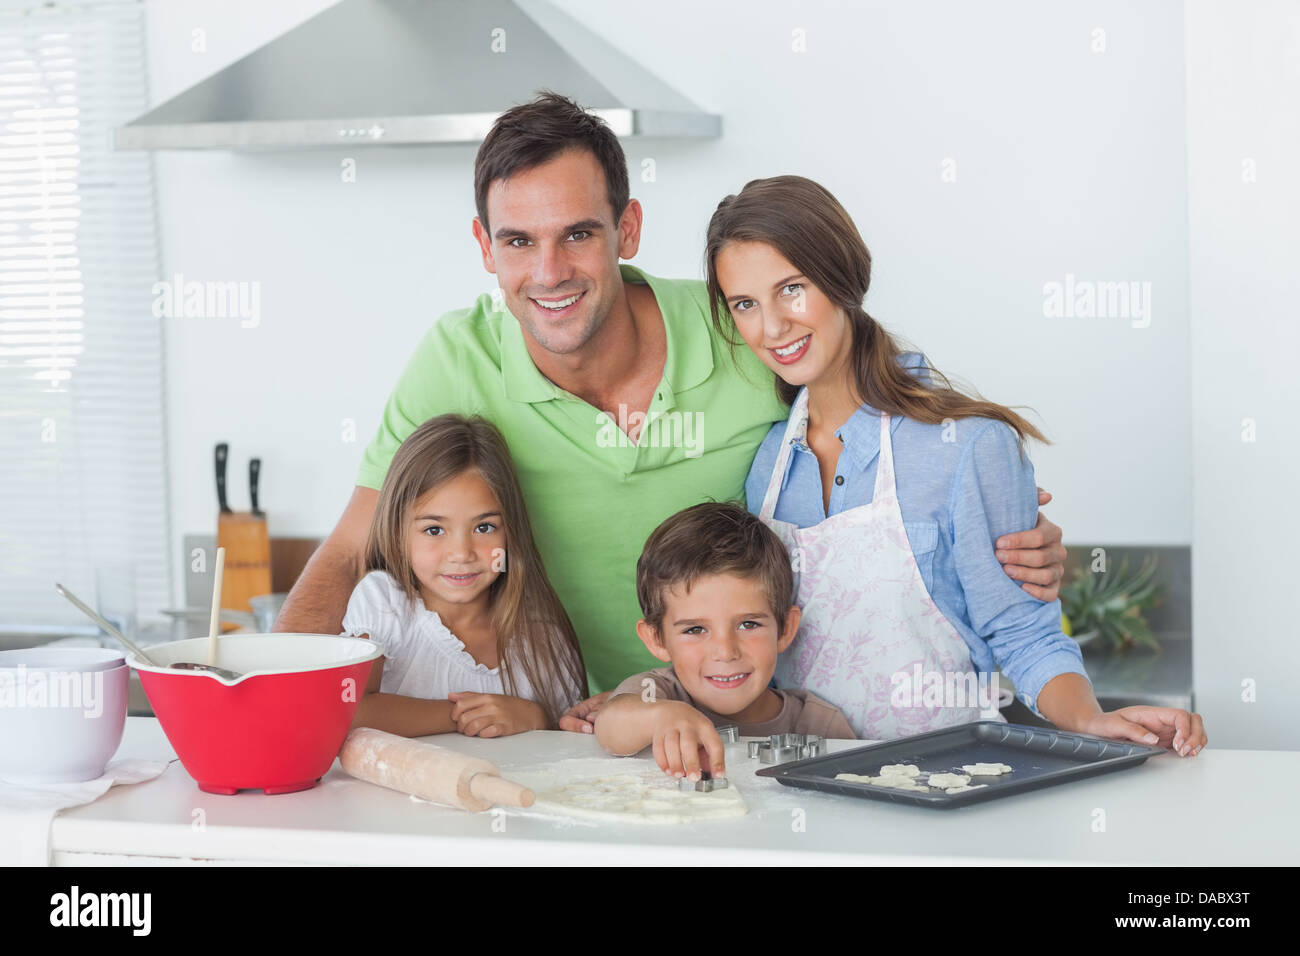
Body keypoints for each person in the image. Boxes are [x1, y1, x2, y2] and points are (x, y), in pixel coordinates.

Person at [274, 91, 1069, 732]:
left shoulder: (732, 329)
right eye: (518, 242)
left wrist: (979, 489)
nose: (548, 272)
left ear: (628, 228)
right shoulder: (454, 360)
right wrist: (276, 696)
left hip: (748, 727)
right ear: (485, 248)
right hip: (567, 732)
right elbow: (353, 549)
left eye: (578, 234)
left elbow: (854, 370)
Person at [706, 175, 1206, 755]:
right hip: (797, 783)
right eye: (746, 304)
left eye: (791, 288)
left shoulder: (968, 445)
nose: (771, 326)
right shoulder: (767, 460)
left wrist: (1090, 720)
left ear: (842, 277)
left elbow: (1021, 632)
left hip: (942, 779)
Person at [342, 414, 587, 737]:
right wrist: (465, 714)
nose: (461, 553)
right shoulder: (384, 602)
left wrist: (536, 716)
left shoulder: (542, 642)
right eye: (434, 529)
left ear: (511, 533)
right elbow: (352, 710)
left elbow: (571, 742)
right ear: (399, 533)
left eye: (484, 527)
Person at [596, 502, 856, 780]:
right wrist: (660, 717)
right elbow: (611, 727)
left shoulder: (819, 723)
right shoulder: (656, 692)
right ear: (657, 638)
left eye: (748, 624)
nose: (725, 652)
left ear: (784, 629)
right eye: (695, 629)